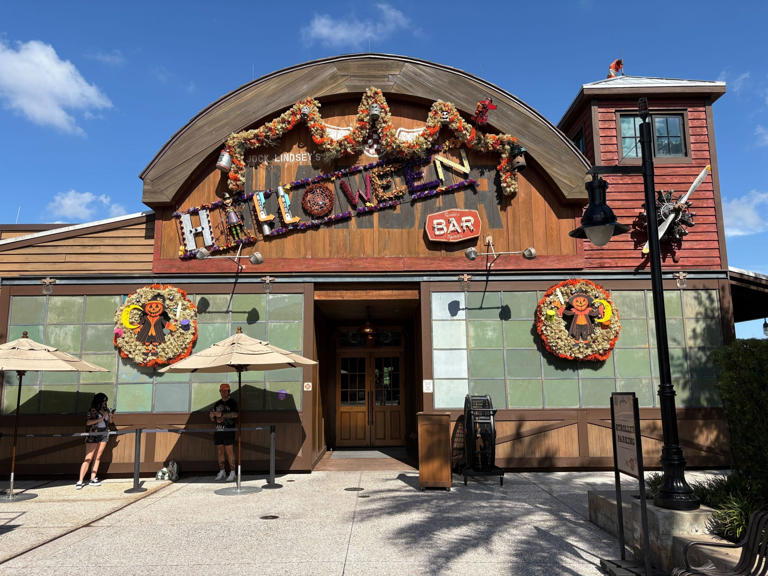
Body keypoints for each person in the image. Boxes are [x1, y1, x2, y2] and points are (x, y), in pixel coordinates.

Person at [76, 393, 115, 489]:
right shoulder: (93, 410)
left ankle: (92, 479)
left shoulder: (106, 410)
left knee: (98, 457)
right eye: (104, 401)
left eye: (106, 401)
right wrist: (101, 418)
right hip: (93, 433)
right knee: (88, 457)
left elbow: (110, 422)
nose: (105, 403)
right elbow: (88, 422)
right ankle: (80, 480)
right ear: (99, 401)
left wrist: (111, 416)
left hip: (104, 433)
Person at [209, 383, 238, 481]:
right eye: (221, 391)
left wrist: (222, 414)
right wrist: (212, 416)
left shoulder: (232, 402)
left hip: (229, 430)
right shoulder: (217, 403)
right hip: (219, 430)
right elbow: (212, 417)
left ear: (229, 391)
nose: (223, 392)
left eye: (225, 390)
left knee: (229, 451)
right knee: (220, 451)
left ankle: (233, 472)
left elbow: (235, 414)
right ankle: (222, 471)